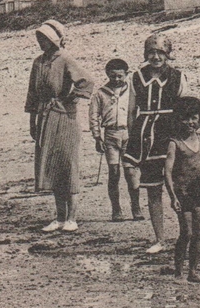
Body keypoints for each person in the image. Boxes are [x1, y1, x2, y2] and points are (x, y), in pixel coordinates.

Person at [26, 19, 94, 233]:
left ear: (54, 39)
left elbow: (86, 82)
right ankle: (59, 217)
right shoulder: (38, 62)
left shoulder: (65, 58)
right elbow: (32, 94)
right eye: (39, 38)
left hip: (65, 118)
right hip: (45, 118)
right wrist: (32, 121)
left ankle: (72, 218)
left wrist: (70, 98)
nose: (41, 42)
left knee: (67, 165)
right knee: (53, 166)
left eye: (44, 38)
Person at [126, 32, 183, 255]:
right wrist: (132, 138)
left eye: (160, 52)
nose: (156, 57)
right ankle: (160, 239)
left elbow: (185, 108)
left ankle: (193, 236)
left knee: (179, 187)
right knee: (153, 190)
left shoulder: (178, 76)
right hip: (145, 137)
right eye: (151, 52)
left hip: (169, 134)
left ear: (168, 54)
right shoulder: (136, 77)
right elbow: (131, 111)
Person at [163, 97, 200, 283]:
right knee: (185, 232)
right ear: (178, 119)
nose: (190, 123)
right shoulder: (174, 143)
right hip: (182, 192)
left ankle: (193, 271)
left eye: (194, 118)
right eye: (185, 119)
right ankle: (178, 272)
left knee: (198, 232)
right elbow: (168, 172)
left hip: (198, 191)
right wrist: (172, 196)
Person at [89, 58, 140, 222]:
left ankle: (136, 208)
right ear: (107, 75)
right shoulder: (100, 93)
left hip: (129, 135)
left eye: (120, 76)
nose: (116, 79)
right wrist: (97, 136)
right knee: (114, 173)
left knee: (131, 173)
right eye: (113, 76)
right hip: (110, 135)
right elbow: (93, 116)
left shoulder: (133, 92)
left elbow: (140, 112)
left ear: (126, 74)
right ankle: (116, 210)